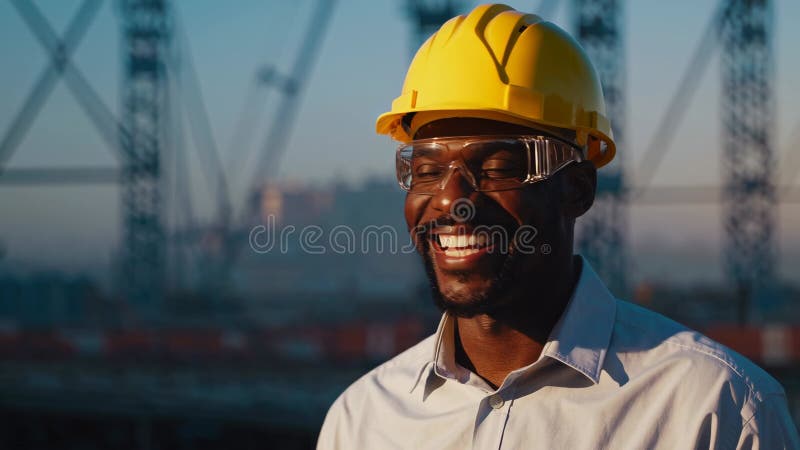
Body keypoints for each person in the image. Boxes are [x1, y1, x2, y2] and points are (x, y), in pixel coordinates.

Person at [317, 4, 800, 449]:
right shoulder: (361, 422)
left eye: (498, 166)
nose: (451, 199)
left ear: (577, 189)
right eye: (426, 170)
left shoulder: (716, 413)